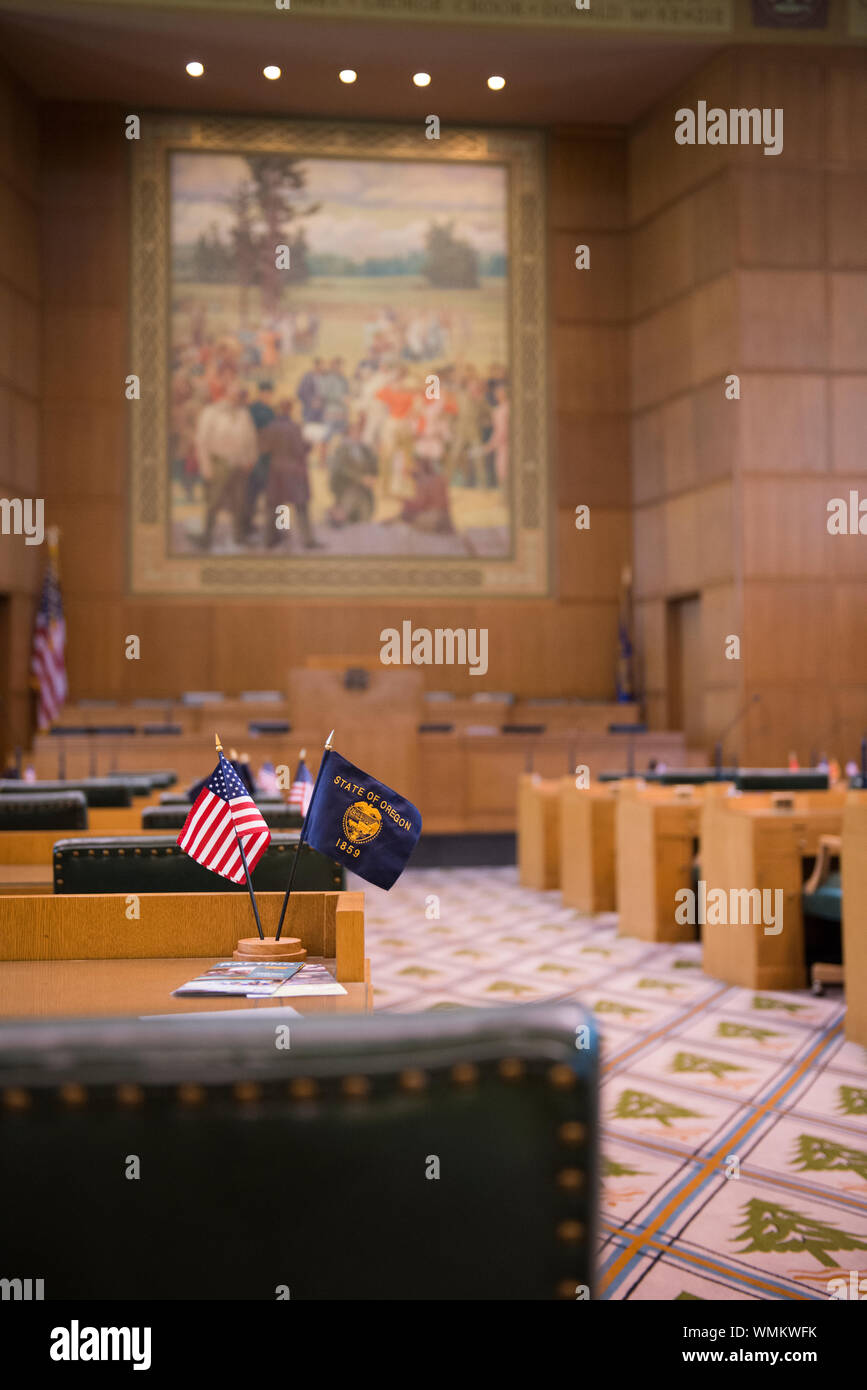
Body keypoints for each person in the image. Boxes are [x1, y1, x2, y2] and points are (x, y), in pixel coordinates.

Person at [194, 383, 258, 549]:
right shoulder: (211, 413)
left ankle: (239, 536)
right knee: (213, 502)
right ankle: (206, 536)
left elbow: (251, 438)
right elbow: (202, 441)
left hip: (240, 463)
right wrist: (206, 466)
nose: (237, 398)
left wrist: (251, 459)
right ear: (224, 395)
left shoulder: (244, 413)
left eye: (238, 396)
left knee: (239, 502)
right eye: (234, 395)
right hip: (219, 464)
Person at [257, 398, 323, 549]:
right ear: (290, 410)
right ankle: (308, 540)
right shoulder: (295, 427)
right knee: (301, 507)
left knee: (279, 505)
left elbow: (264, 448)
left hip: (277, 471)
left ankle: (275, 538)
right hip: (294, 471)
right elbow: (300, 450)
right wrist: (309, 445)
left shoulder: (271, 427)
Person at [326, 419, 378, 527]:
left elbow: (373, 465)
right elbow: (342, 470)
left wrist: (372, 477)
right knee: (347, 509)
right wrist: (361, 479)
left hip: (364, 489)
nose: (358, 435)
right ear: (349, 433)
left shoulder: (364, 449)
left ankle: (347, 516)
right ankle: (337, 515)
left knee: (364, 518)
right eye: (355, 432)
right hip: (346, 486)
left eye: (359, 432)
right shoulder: (342, 449)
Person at [245, 381, 276, 540]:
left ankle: (278, 527)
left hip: (267, 459)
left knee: (269, 495)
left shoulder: (269, 410)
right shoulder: (255, 410)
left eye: (270, 393)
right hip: (257, 458)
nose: (269, 396)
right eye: (267, 393)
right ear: (262, 393)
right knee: (254, 495)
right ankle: (249, 526)